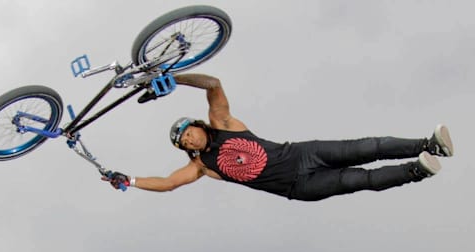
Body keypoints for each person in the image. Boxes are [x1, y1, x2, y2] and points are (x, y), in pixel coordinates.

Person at [102, 73, 453, 201]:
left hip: (303, 154)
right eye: (183, 143)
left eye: (188, 133)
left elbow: (214, 84)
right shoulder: (202, 166)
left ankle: (428, 145)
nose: (189, 141)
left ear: (197, 125)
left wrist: (175, 78)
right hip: (298, 187)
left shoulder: (223, 122)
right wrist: (129, 180)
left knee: (367, 147)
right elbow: (167, 183)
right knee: (361, 180)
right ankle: (417, 171)